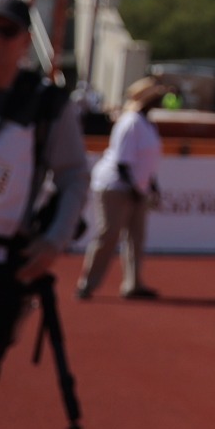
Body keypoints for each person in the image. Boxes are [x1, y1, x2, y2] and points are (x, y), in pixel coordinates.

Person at [0, 0, 88, 429]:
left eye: (6, 32)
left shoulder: (45, 106)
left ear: (26, 41)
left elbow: (74, 177)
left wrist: (54, 240)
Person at [77, 76, 166, 300]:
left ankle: (133, 284)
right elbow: (122, 162)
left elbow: (146, 160)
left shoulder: (147, 123)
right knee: (109, 234)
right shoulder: (130, 122)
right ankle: (87, 283)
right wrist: (136, 189)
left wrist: (150, 185)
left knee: (136, 236)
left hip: (137, 188)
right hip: (116, 186)